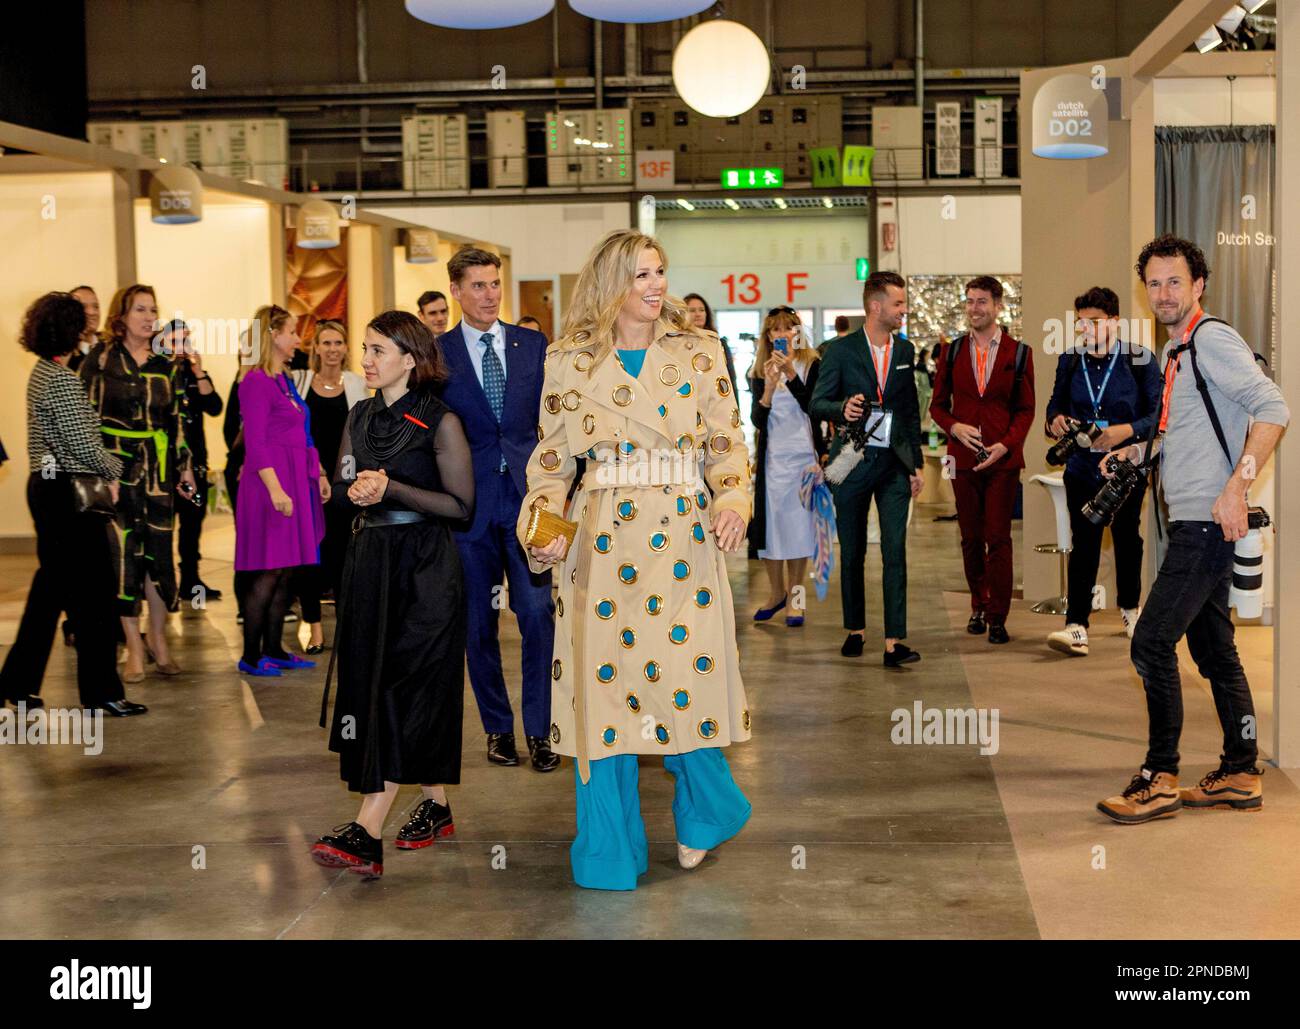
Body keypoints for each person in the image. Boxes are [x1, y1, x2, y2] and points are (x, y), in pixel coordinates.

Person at [518, 228, 753, 891]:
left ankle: (707, 809)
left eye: (660, 272)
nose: (655, 285)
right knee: (604, 703)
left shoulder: (700, 353)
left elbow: (726, 443)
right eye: (641, 274)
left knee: (688, 680)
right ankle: (608, 852)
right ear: (610, 284)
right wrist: (544, 529)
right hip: (600, 547)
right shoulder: (567, 362)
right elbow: (550, 464)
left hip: (682, 541)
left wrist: (733, 497)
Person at [1097, 235, 1289, 824]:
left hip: (1206, 524)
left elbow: (1274, 407)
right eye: (1153, 283)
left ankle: (1159, 777)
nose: (1163, 293)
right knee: (1215, 650)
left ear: (1198, 284)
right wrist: (1137, 454)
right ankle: (1240, 769)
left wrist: (1238, 487)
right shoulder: (1178, 352)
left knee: (1151, 642)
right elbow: (1187, 432)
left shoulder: (1211, 339)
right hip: (1190, 519)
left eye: (1174, 281)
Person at [311, 311, 474, 878]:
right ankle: (435, 804)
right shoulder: (358, 415)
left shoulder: (441, 421)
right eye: (365, 348)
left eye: (378, 350)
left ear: (410, 359)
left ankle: (368, 827)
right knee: (376, 681)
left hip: (426, 566)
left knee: (410, 684)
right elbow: (342, 487)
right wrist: (346, 490)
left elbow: (461, 507)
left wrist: (394, 486)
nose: (367, 358)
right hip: (370, 563)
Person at [438, 247, 559, 772]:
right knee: (477, 625)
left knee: (537, 616)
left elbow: (555, 423)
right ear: (456, 292)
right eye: (479, 286)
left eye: (495, 284)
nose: (490, 295)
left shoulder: (533, 345)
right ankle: (497, 729)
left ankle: (541, 730)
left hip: (532, 503)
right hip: (468, 510)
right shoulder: (436, 354)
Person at [0, 293, 145, 716]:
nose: (88, 327)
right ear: (68, 329)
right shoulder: (62, 379)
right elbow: (82, 445)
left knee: (49, 594)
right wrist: (119, 466)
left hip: (47, 489)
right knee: (96, 594)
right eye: (82, 322)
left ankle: (16, 685)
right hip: (69, 494)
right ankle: (101, 694)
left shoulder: (42, 372)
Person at [80, 285, 196, 682]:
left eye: (153, 310)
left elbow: (177, 420)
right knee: (124, 557)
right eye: (140, 309)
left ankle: (158, 640)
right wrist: (100, 472)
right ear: (122, 315)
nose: (149, 317)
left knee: (159, 555)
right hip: (115, 471)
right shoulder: (101, 360)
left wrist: (185, 467)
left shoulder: (168, 362)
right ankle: (132, 647)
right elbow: (87, 421)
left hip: (159, 471)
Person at [810, 272, 925, 664]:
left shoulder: (906, 352)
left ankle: (895, 641)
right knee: (853, 550)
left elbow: (910, 412)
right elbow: (817, 403)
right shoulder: (840, 352)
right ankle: (855, 629)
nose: (903, 310)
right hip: (852, 461)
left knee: (895, 549)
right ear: (875, 307)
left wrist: (916, 465)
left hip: (894, 463)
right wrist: (841, 408)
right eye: (898, 304)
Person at [1044, 287, 1160, 657]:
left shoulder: (1140, 359)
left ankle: (1130, 609)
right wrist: (1057, 422)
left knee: (1127, 537)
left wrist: (1124, 432)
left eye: (1093, 321)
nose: (1085, 328)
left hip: (1126, 464)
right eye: (1081, 322)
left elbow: (1157, 415)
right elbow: (1052, 409)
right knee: (1086, 540)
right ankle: (1076, 624)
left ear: (1114, 321)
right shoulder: (1070, 360)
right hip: (1081, 466)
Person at [928, 275, 1035, 645]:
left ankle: (998, 616)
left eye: (981, 302)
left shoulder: (1019, 354)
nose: (974, 308)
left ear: (997, 306)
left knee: (998, 539)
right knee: (971, 538)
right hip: (962, 459)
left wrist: (1006, 445)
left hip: (1002, 462)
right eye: (970, 301)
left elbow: (1026, 410)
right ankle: (978, 602)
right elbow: (937, 406)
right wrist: (954, 427)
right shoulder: (952, 352)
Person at [233, 305, 327, 677]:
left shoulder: (283, 379)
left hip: (294, 479)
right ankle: (251, 655)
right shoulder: (255, 381)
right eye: (291, 331)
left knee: (287, 570)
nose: (297, 339)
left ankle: (274, 648)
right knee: (268, 570)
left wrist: (316, 471)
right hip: (270, 484)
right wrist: (275, 490)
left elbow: (301, 434)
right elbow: (255, 443)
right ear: (272, 335)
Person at [291, 320, 368, 653]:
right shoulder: (299, 381)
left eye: (339, 342)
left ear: (346, 347)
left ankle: (346, 627)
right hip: (305, 480)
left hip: (342, 484)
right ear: (316, 348)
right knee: (309, 555)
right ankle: (315, 627)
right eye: (326, 343)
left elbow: (363, 433)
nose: (333, 349)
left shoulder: (356, 384)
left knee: (342, 555)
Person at [746, 306, 824, 626]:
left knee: (799, 532)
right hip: (773, 460)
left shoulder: (812, 364)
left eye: (788, 328)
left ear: (797, 332)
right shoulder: (758, 370)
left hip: (804, 459)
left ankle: (797, 599)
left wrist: (791, 374)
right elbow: (757, 420)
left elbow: (814, 407)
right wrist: (767, 389)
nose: (782, 335)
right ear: (768, 335)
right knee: (771, 529)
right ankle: (776, 592)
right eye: (775, 330)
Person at [163, 319, 225, 603]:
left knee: (192, 525)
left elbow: (214, 407)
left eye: (186, 340)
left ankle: (190, 580)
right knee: (163, 528)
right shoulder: (157, 374)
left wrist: (199, 371)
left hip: (197, 465)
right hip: (165, 467)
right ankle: (162, 585)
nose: (182, 347)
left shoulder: (194, 374)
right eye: (176, 341)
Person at [683, 292, 738, 395]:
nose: (698, 314)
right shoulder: (677, 344)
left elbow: (730, 378)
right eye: (692, 310)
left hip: (715, 398)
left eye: (702, 310)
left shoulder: (719, 342)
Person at [66, 285, 101, 372]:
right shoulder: (65, 355)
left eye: (95, 306)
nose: (91, 312)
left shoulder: (111, 346)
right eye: (83, 307)